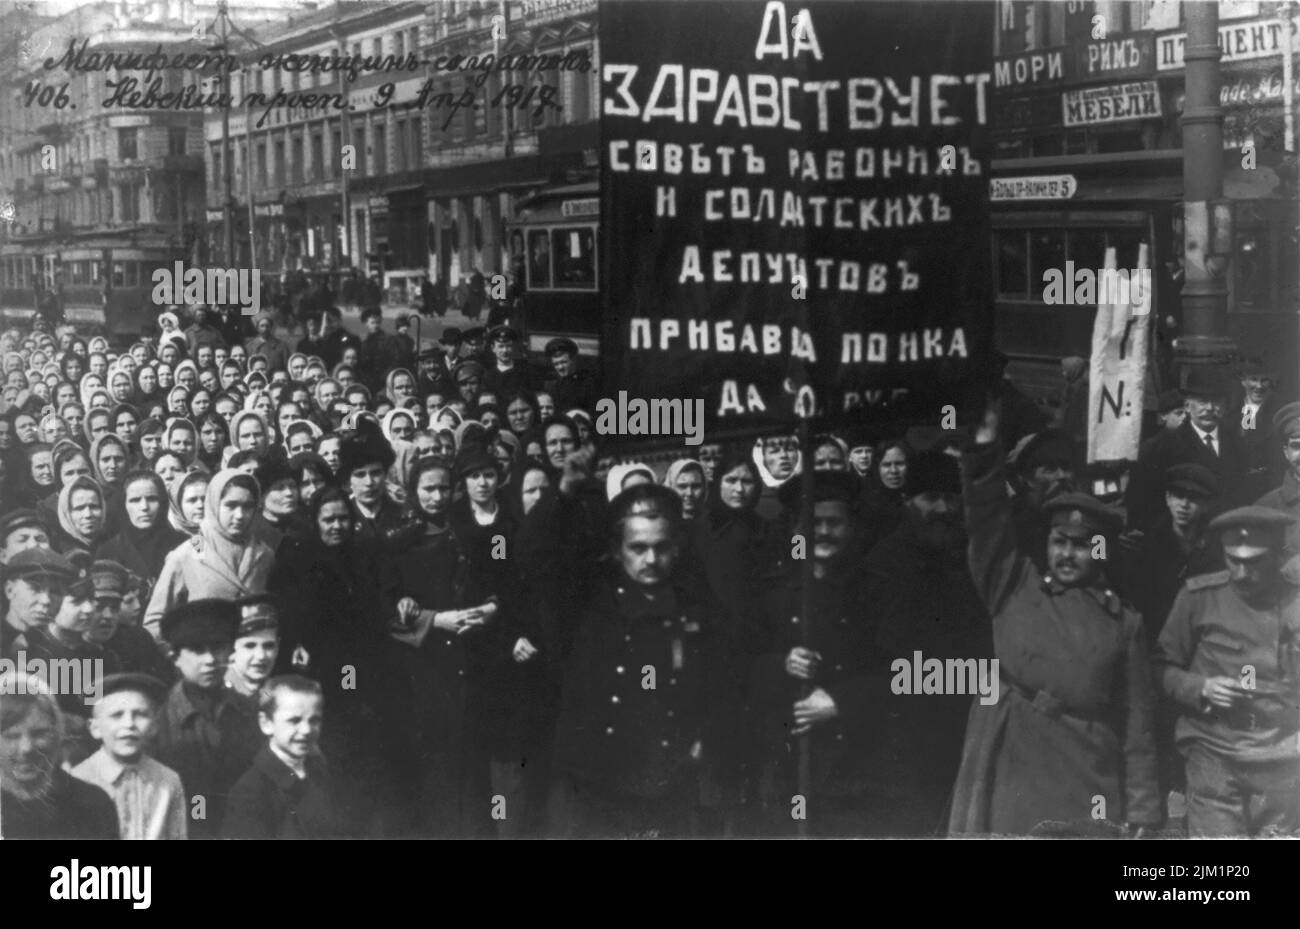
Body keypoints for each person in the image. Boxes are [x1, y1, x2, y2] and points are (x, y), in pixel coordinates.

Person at [948, 403, 1161, 836]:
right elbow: (986, 520)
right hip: (1010, 754)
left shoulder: (1124, 622)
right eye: (1058, 541)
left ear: (1100, 551)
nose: (1066, 554)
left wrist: (1143, 810)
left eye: (1081, 545)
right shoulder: (1014, 582)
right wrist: (982, 454)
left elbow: (1138, 725)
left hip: (1083, 768)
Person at [549, 483, 719, 838]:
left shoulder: (695, 605)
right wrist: (564, 494)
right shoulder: (588, 600)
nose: (651, 560)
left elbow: (718, 682)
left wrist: (706, 737)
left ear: (676, 549)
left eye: (661, 548)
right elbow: (537, 558)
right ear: (616, 550)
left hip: (669, 772)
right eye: (638, 548)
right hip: (599, 777)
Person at [860, 450, 990, 836]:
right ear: (908, 501)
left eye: (951, 497)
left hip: (963, 719)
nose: (943, 508)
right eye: (930, 496)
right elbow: (883, 650)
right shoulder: (884, 563)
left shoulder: (969, 556)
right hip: (903, 727)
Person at [1155, 506, 1300, 837]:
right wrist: (1201, 688)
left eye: (1252, 563)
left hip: (1281, 755)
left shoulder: (1296, 601)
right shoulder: (1199, 597)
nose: (1240, 573)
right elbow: (1160, 666)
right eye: (1232, 560)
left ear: (1277, 557)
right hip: (1214, 749)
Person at [152, 598, 262, 839]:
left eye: (218, 647)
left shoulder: (251, 712)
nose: (210, 660)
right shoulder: (157, 720)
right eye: (197, 650)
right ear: (176, 657)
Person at [143, 470, 274, 640]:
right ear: (213, 504)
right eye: (231, 505)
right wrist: (180, 656)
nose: (240, 515)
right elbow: (154, 621)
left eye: (247, 506)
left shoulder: (263, 554)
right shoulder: (188, 553)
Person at [222, 674, 351, 838]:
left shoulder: (320, 772)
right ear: (266, 723)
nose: (306, 730)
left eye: (314, 720)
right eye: (294, 720)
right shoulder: (250, 791)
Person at [1127, 368, 1249, 533]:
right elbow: (1142, 506)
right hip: (1180, 542)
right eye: (1201, 400)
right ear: (1186, 405)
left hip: (1227, 538)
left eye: (1216, 401)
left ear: (1225, 405)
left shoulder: (1237, 444)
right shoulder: (1160, 447)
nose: (1209, 408)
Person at [0, 672, 119, 838]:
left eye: (39, 733)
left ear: (57, 734)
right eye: (11, 736)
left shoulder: (92, 804)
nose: (26, 748)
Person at [70, 672, 187, 840]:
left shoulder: (168, 781)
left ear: (154, 726)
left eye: (140, 715)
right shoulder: (79, 780)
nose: (129, 724)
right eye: (116, 715)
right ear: (94, 728)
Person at [98, 471, 186, 582]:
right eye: (135, 500)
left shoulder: (183, 544)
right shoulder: (108, 550)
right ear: (123, 505)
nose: (144, 507)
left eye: (152, 499)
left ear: (162, 502)